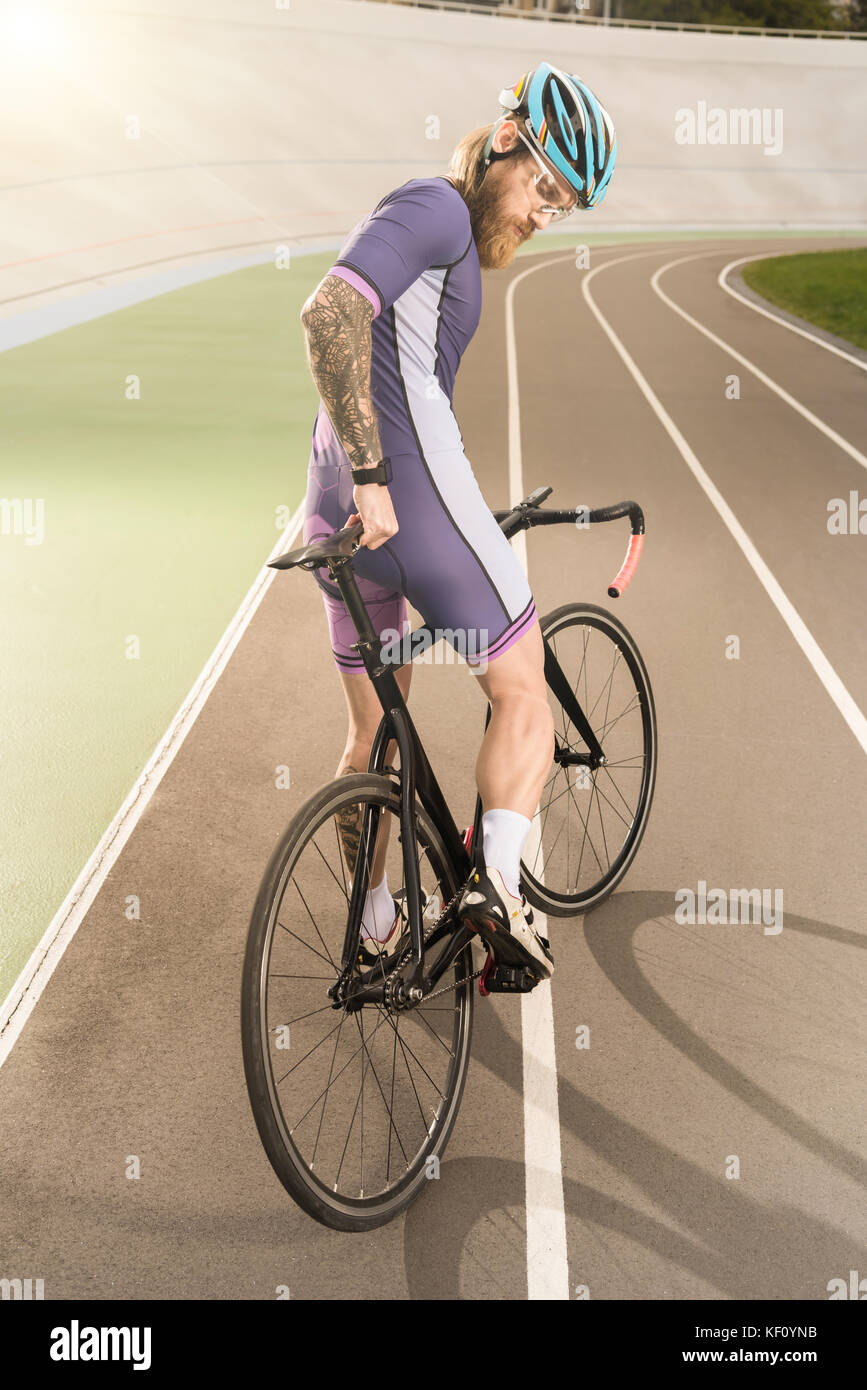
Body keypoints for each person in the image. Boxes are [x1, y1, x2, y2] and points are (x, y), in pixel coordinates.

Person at [299, 62, 617, 985]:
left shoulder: (442, 236)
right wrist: (376, 478)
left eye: (563, 210)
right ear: (507, 138)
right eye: (543, 188)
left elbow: (396, 369)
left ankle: (375, 926)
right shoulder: (437, 207)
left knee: (370, 742)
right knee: (523, 693)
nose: (540, 215)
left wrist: (358, 485)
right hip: (408, 506)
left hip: (340, 528)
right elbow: (327, 316)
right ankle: (499, 890)